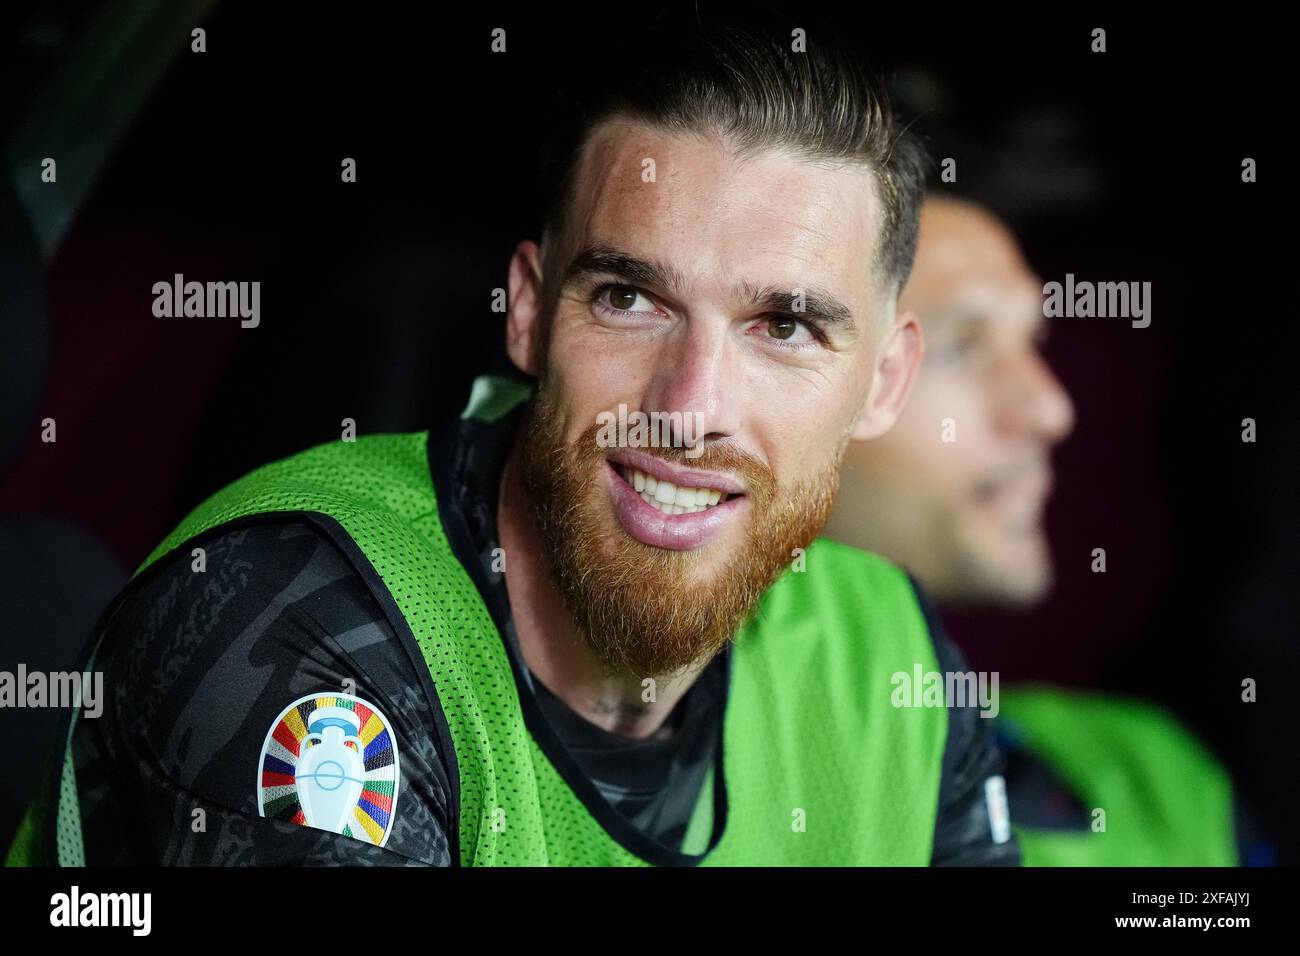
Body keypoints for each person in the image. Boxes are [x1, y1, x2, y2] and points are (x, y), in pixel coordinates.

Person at [7, 23, 1016, 866]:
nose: (689, 404)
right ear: (528, 313)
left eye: (785, 326)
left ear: (884, 378)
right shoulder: (295, 623)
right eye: (628, 298)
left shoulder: (893, 660)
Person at [823, 194, 1241, 865]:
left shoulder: (1144, 769)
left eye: (1032, 342)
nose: (1052, 408)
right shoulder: (661, 787)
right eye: (959, 346)